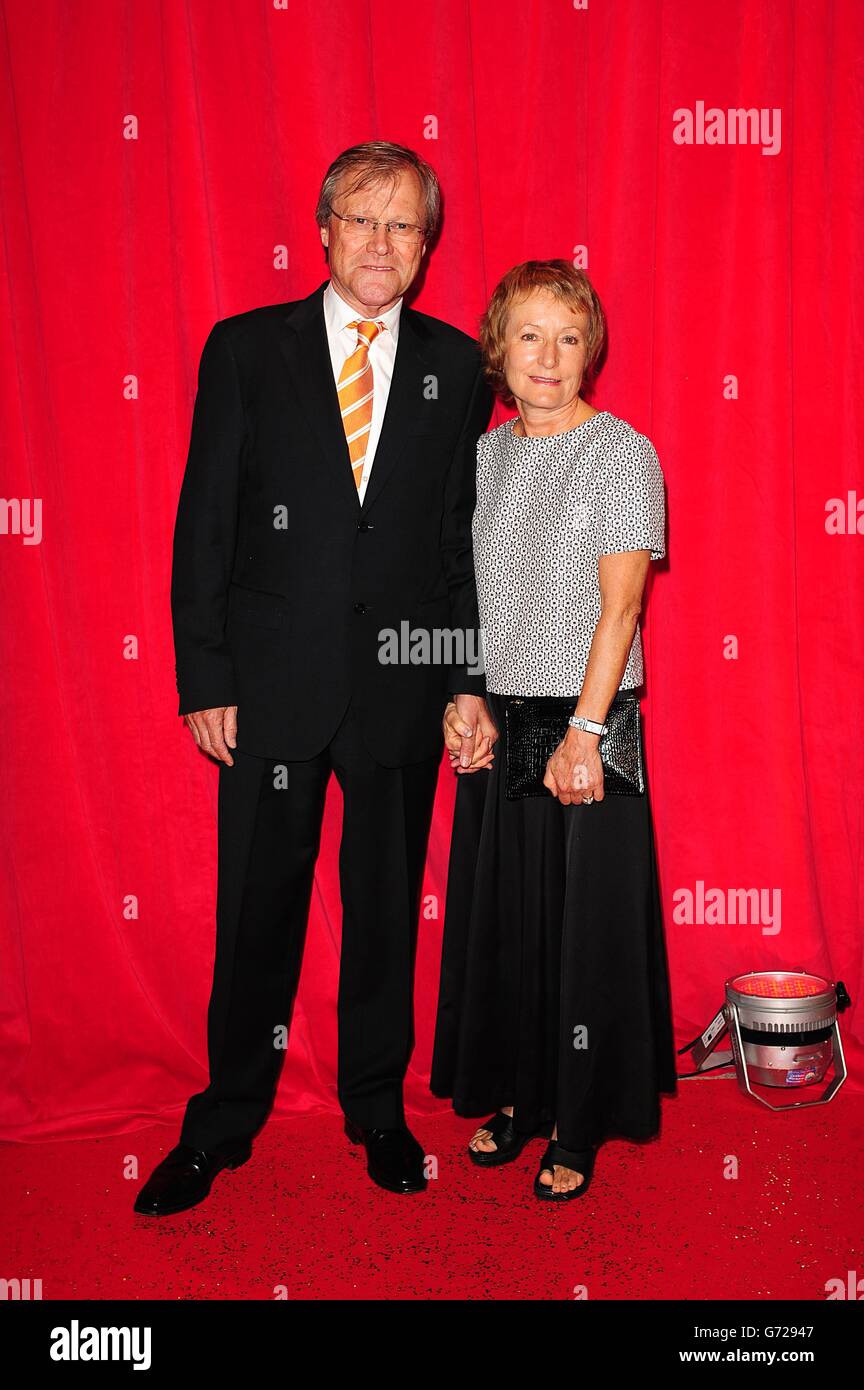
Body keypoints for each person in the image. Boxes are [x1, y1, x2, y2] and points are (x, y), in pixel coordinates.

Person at [135, 141, 495, 1215]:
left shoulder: (455, 367)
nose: (383, 244)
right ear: (326, 229)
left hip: (401, 686)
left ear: (426, 249)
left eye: (405, 227)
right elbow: (207, 521)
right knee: (257, 912)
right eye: (364, 220)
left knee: (385, 912)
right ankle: (225, 1117)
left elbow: (456, 546)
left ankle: (377, 1109)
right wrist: (205, 673)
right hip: (271, 683)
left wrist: (463, 680)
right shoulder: (247, 351)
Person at [431, 260, 677, 1201]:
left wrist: (584, 732)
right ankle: (521, 1099)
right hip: (503, 721)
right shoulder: (485, 456)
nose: (548, 355)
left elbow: (622, 613)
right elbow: (461, 593)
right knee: (513, 929)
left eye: (569, 337)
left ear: (591, 354)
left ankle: (578, 1122)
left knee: (585, 931)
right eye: (530, 334)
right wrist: (467, 698)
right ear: (499, 347)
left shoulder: (622, 452)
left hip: (588, 720)